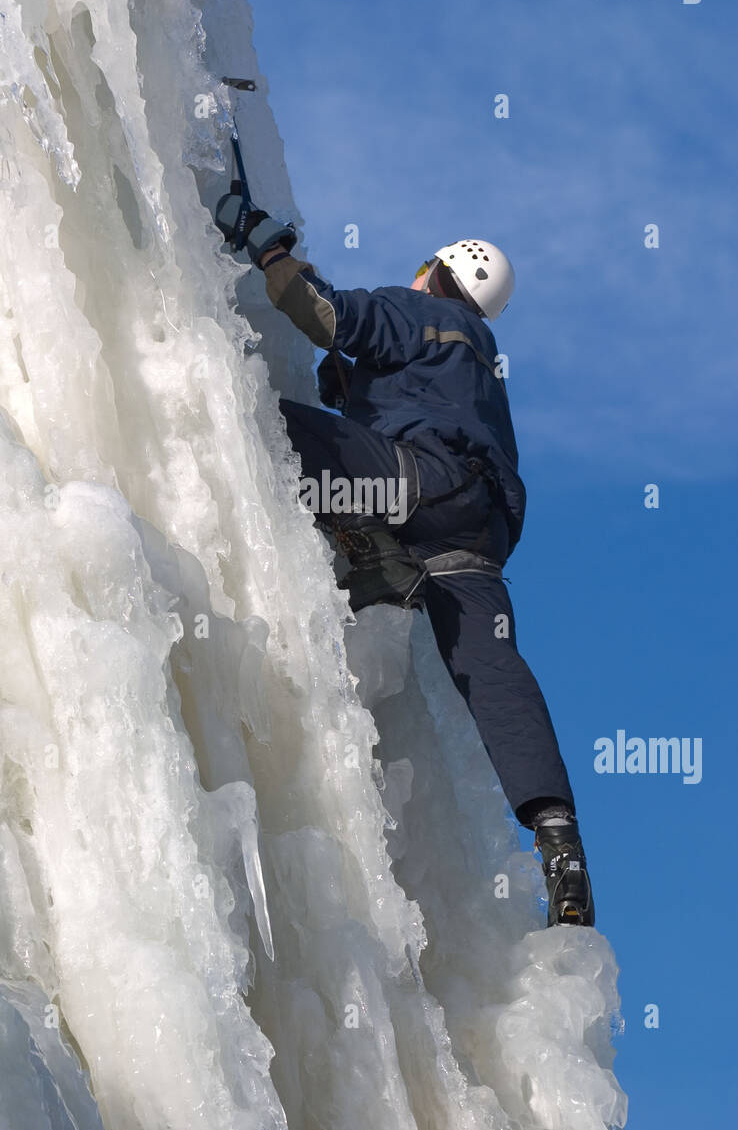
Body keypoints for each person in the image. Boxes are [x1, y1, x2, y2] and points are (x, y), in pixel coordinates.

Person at [212, 188, 594, 928]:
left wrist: (267, 245)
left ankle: (369, 549)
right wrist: (359, 390)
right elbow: (422, 403)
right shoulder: (480, 363)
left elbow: (322, 312)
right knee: (495, 674)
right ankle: (560, 842)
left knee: (250, 413)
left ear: (435, 273)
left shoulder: (427, 311)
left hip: (414, 486)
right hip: (473, 538)